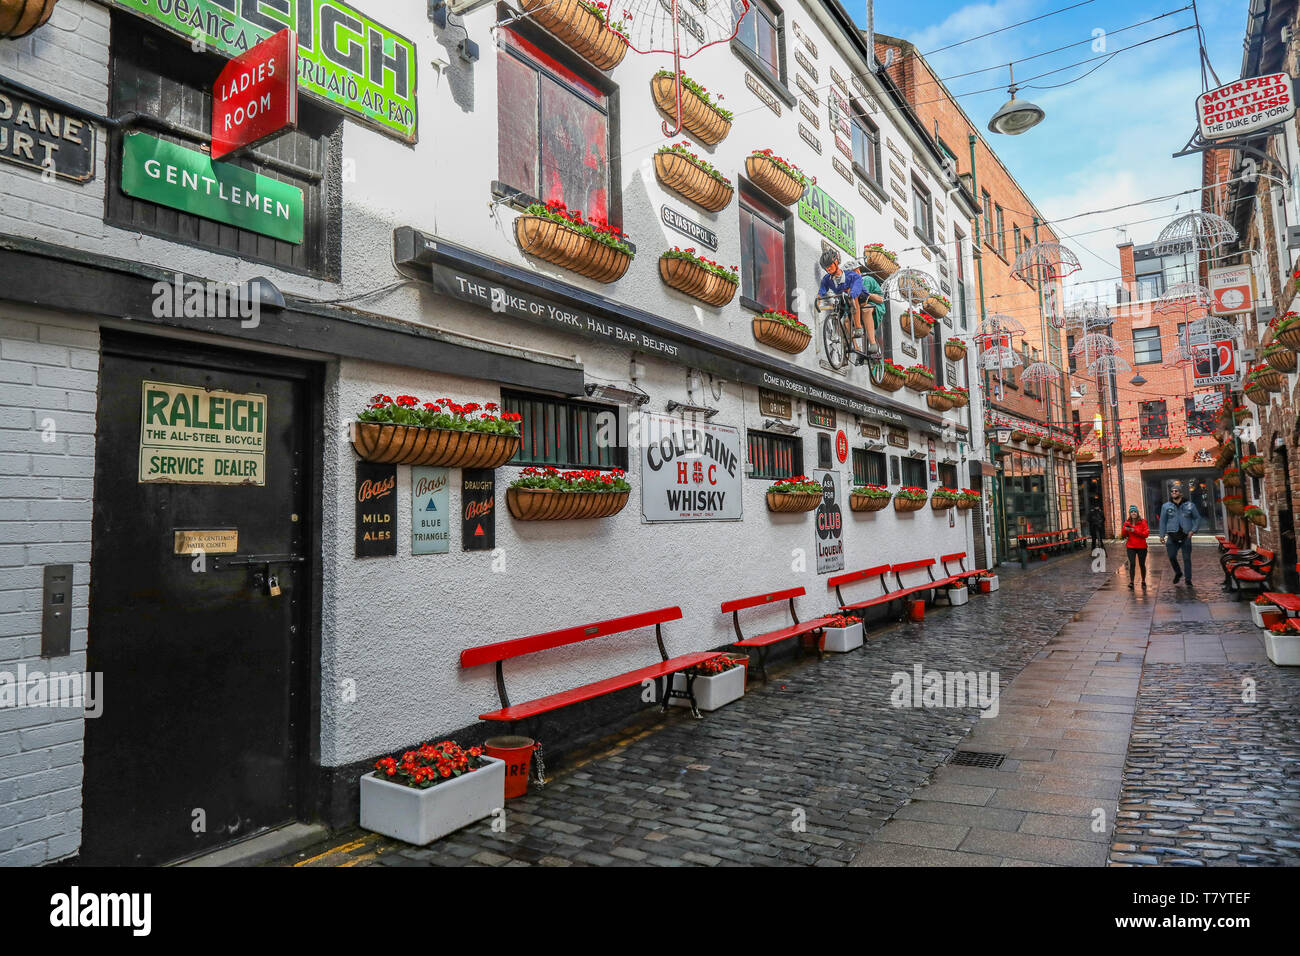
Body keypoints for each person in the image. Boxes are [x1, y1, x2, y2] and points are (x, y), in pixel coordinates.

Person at [818, 249, 882, 357]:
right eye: (854, 271)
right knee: (846, 320)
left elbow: (879, 299)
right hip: (851, 304)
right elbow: (824, 288)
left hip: (867, 303)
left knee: (865, 309)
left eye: (857, 270)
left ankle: (871, 341)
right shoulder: (830, 278)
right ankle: (855, 348)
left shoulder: (866, 280)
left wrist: (856, 293)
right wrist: (820, 297)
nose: (857, 273)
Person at [1159, 482, 1201, 586]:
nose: (1173, 493)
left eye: (1176, 491)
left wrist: (1193, 530)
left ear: (1181, 493)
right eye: (1172, 491)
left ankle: (1188, 580)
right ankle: (1178, 572)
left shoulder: (1190, 505)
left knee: (1187, 558)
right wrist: (1161, 535)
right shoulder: (1166, 506)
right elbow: (1163, 521)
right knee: (1172, 556)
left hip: (1186, 535)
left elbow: (1197, 518)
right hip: (1172, 535)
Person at [1122, 505, 1149, 590]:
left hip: (1141, 546)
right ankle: (1132, 582)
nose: (1133, 513)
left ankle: (1143, 581)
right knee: (1132, 564)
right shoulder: (1127, 522)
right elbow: (1124, 535)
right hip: (1131, 546)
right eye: (1132, 512)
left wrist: (1134, 530)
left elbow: (1146, 534)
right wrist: (1125, 529)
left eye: (1135, 511)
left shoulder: (1143, 522)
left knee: (1142, 564)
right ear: (1130, 513)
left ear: (1137, 513)